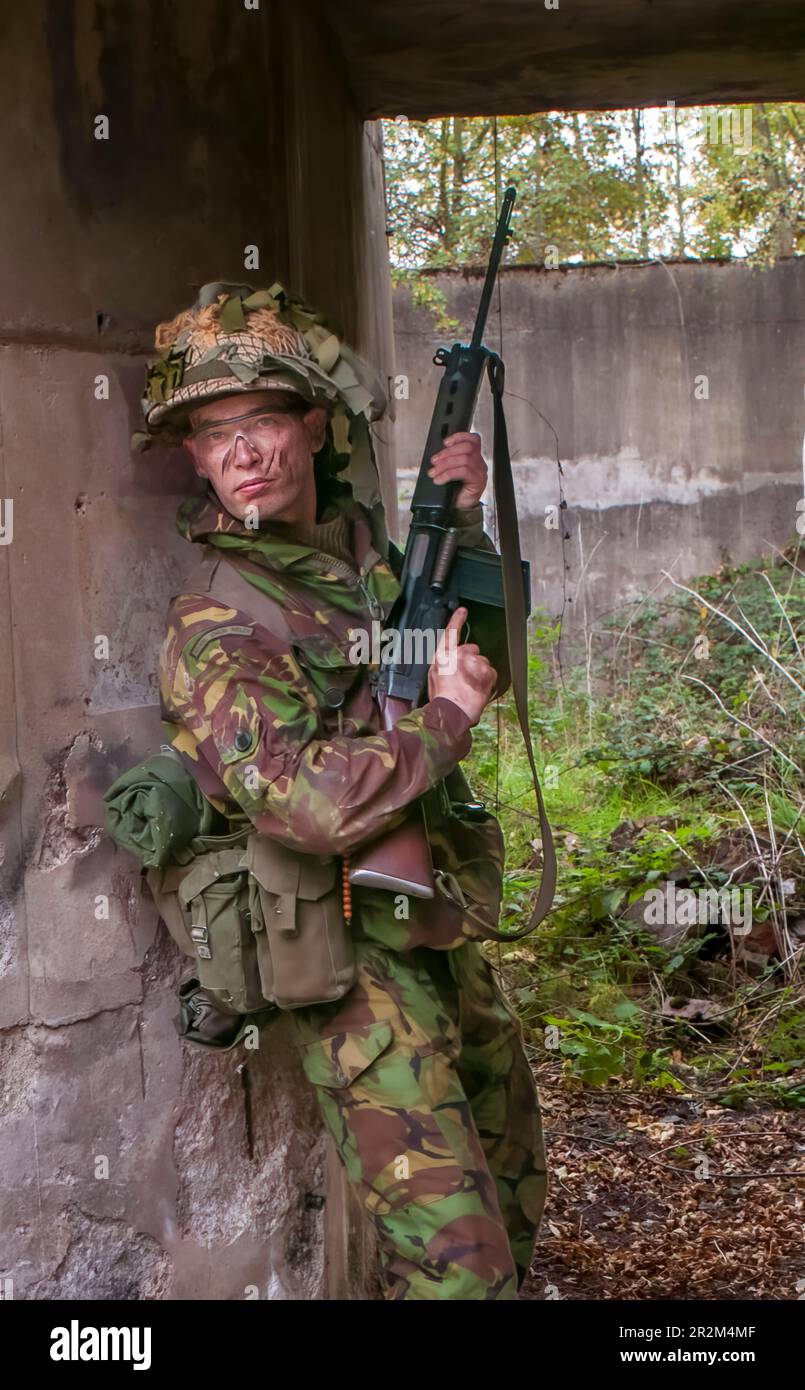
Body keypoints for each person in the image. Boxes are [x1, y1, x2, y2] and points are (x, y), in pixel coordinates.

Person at [139, 280, 548, 1300]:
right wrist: (442, 721)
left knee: (514, 1193)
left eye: (265, 420)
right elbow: (302, 806)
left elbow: (474, 659)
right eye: (214, 431)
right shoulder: (216, 624)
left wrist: (464, 531)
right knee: (460, 1272)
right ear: (193, 455)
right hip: (355, 963)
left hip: (434, 921)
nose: (243, 450)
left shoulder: (370, 569)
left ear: (313, 428)